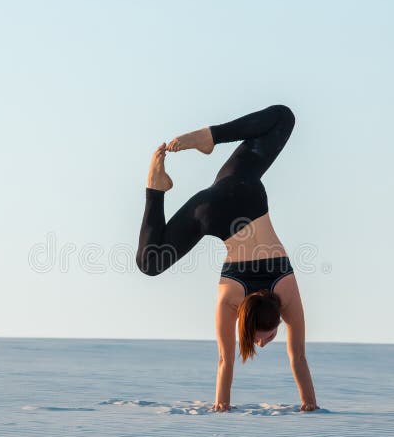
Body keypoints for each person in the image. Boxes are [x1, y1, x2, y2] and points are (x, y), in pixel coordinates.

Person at [137, 104, 319, 413]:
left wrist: (310, 401)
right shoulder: (231, 298)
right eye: (265, 338)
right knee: (150, 263)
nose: (261, 343)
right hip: (214, 210)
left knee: (283, 117)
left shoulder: (285, 290)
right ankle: (155, 189)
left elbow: (299, 357)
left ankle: (212, 137)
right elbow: (225, 359)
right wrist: (221, 404)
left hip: (244, 187)